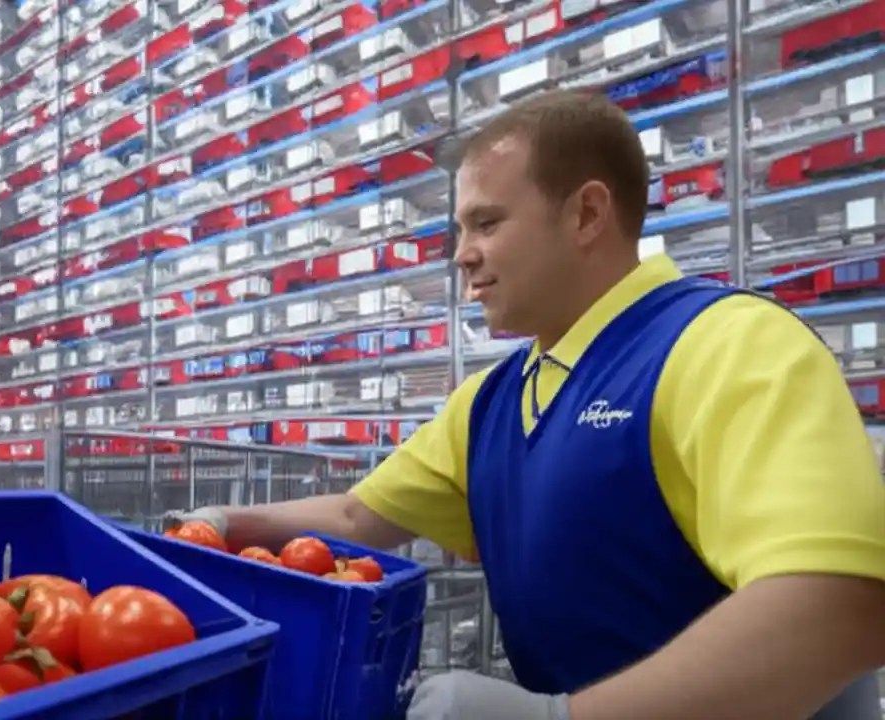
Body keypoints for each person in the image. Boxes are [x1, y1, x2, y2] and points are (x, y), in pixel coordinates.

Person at [176, 89, 885, 719]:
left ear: (586, 215)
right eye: (458, 229)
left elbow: (837, 605)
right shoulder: (498, 398)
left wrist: (561, 717)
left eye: (485, 223)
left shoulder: (729, 345)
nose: (461, 254)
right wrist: (225, 522)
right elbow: (359, 517)